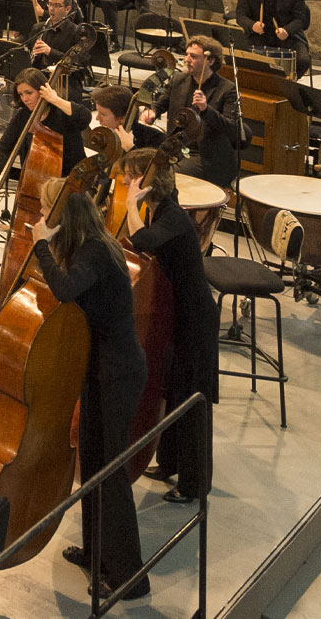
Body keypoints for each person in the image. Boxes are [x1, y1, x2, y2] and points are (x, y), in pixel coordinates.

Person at [31, 187, 148, 598]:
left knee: (111, 473)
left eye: (47, 210)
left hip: (118, 375)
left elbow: (64, 289)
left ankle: (130, 578)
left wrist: (41, 247)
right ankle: (98, 555)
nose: (41, 216)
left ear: (64, 218)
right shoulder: (92, 247)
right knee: (94, 463)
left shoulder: (95, 252)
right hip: (100, 372)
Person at [119, 147, 219, 504]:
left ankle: (195, 486)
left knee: (193, 403)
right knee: (174, 392)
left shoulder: (173, 217)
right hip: (179, 315)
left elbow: (140, 241)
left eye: (132, 177)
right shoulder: (163, 208)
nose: (126, 183)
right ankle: (170, 462)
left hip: (195, 321)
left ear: (147, 183)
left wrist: (131, 205)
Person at [147, 38, 243, 188]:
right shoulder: (179, 79)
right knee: (146, 167)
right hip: (177, 148)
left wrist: (206, 108)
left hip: (205, 156)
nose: (187, 60)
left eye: (193, 56)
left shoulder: (227, 89)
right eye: (187, 55)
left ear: (210, 61)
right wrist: (152, 112)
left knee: (166, 175)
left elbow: (232, 128)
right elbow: (160, 103)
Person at [0, 67, 89, 191]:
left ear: (43, 90)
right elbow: (4, 147)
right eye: (21, 94)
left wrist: (55, 99)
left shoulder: (61, 112)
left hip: (69, 182)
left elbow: (85, 117)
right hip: (35, 183)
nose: (24, 99)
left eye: (29, 93)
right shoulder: (24, 115)